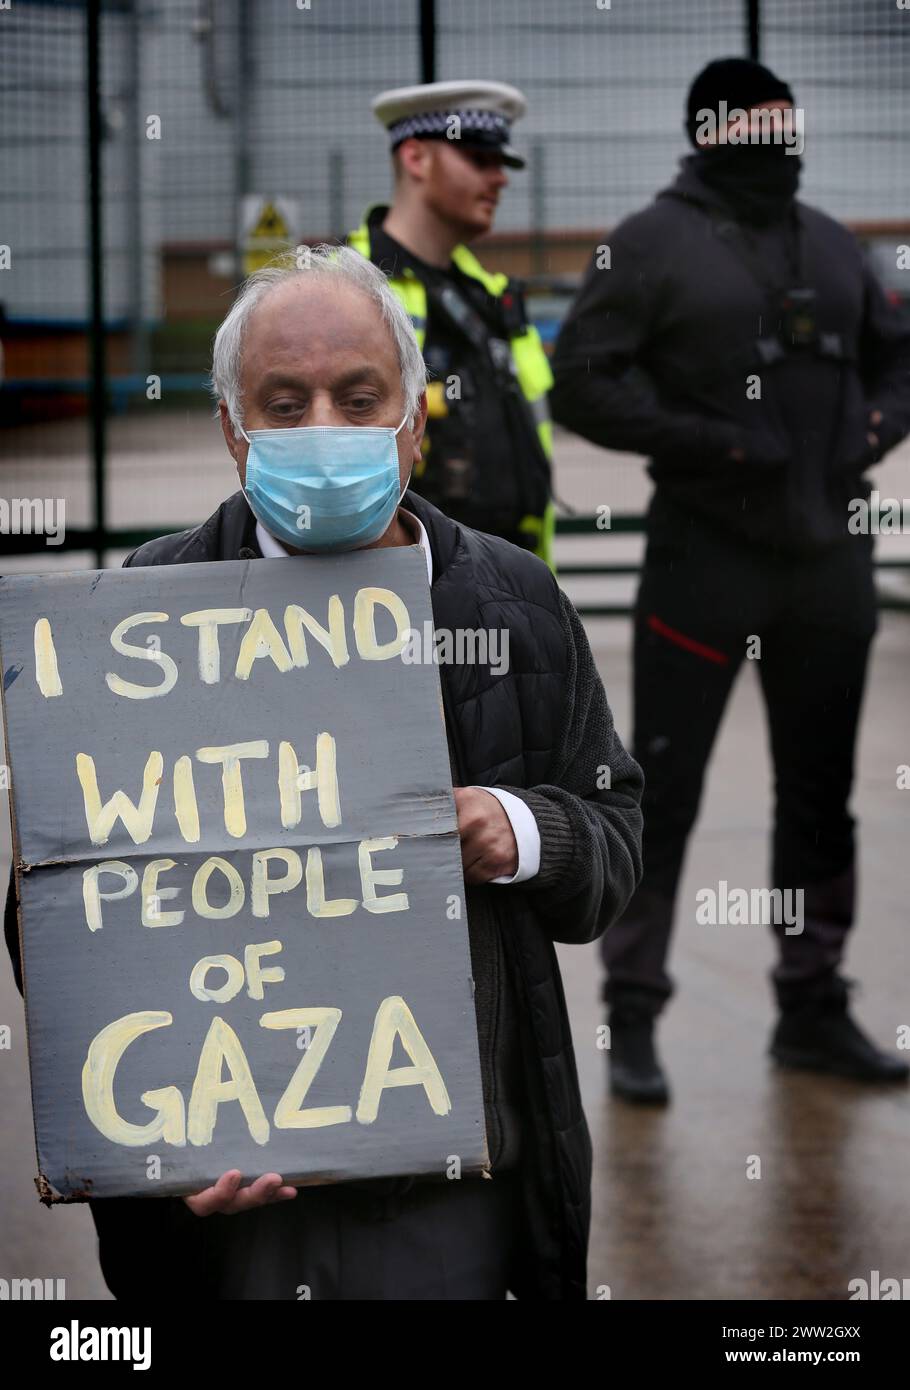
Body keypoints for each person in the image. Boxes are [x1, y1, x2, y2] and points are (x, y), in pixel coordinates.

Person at [4, 246, 643, 1300]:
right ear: (230, 427)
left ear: (414, 418)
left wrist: (518, 829)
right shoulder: (133, 621)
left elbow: (612, 838)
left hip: (453, 1193)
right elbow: (63, 918)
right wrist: (165, 1146)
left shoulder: (513, 603)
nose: (323, 434)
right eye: (283, 403)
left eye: (358, 399)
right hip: (238, 1204)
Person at [550, 58, 910, 1103]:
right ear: (710, 128)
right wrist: (705, 442)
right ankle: (633, 1015)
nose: (774, 140)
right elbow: (581, 380)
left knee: (819, 798)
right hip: (703, 564)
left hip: (827, 567)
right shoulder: (652, 243)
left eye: (783, 122)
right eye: (753, 123)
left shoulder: (834, 243)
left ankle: (809, 1005)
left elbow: (901, 356)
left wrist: (871, 428)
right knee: (660, 792)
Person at [347, 79, 557, 570]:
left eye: (502, 164)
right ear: (417, 159)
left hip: (507, 573)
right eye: (481, 161)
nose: (500, 178)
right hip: (401, 585)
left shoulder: (490, 294)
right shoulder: (346, 286)